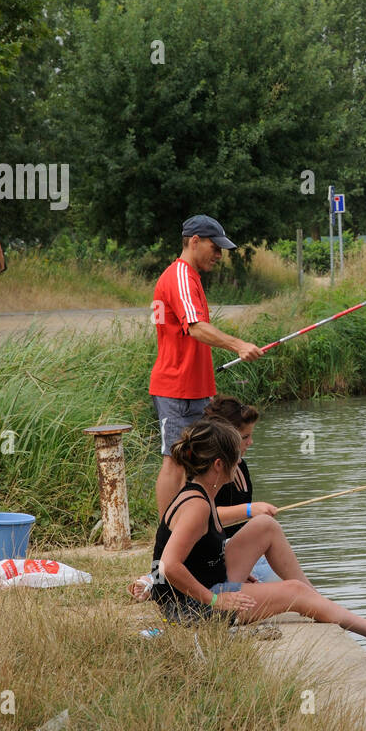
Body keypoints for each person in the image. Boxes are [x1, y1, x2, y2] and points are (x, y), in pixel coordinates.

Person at [148, 418, 366, 651]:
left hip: (203, 587)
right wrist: (216, 600)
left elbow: (201, 548)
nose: (241, 462)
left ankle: (318, 603)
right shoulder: (197, 505)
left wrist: (230, 567)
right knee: (294, 591)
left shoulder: (201, 493)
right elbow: (169, 565)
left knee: (264, 526)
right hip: (190, 610)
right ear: (220, 464)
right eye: (238, 456)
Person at [150, 215, 262, 519]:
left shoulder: (192, 277)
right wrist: (239, 344)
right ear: (195, 241)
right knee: (173, 462)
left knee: (206, 459)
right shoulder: (180, 276)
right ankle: (166, 537)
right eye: (215, 248)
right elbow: (196, 327)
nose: (219, 255)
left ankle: (205, 527)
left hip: (196, 388)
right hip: (177, 389)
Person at [201, 396, 281, 582]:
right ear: (225, 437)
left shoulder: (241, 467)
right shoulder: (209, 471)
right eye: (245, 437)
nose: (250, 442)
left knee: (282, 567)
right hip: (217, 552)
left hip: (242, 548)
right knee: (277, 579)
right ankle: (153, 579)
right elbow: (202, 516)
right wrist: (249, 510)